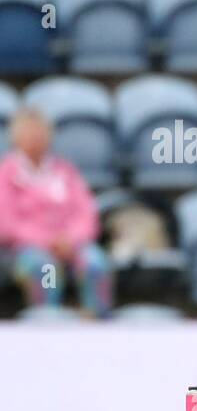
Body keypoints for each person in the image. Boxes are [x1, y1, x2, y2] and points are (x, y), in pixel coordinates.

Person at [0, 109, 114, 318]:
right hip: (24, 249)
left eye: (40, 132)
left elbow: (86, 213)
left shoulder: (65, 170)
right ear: (16, 137)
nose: (35, 138)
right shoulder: (6, 174)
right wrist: (47, 241)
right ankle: (48, 323)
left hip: (71, 244)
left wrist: (71, 239)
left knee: (95, 263)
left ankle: (98, 321)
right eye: (29, 132)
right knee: (46, 269)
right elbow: (7, 225)